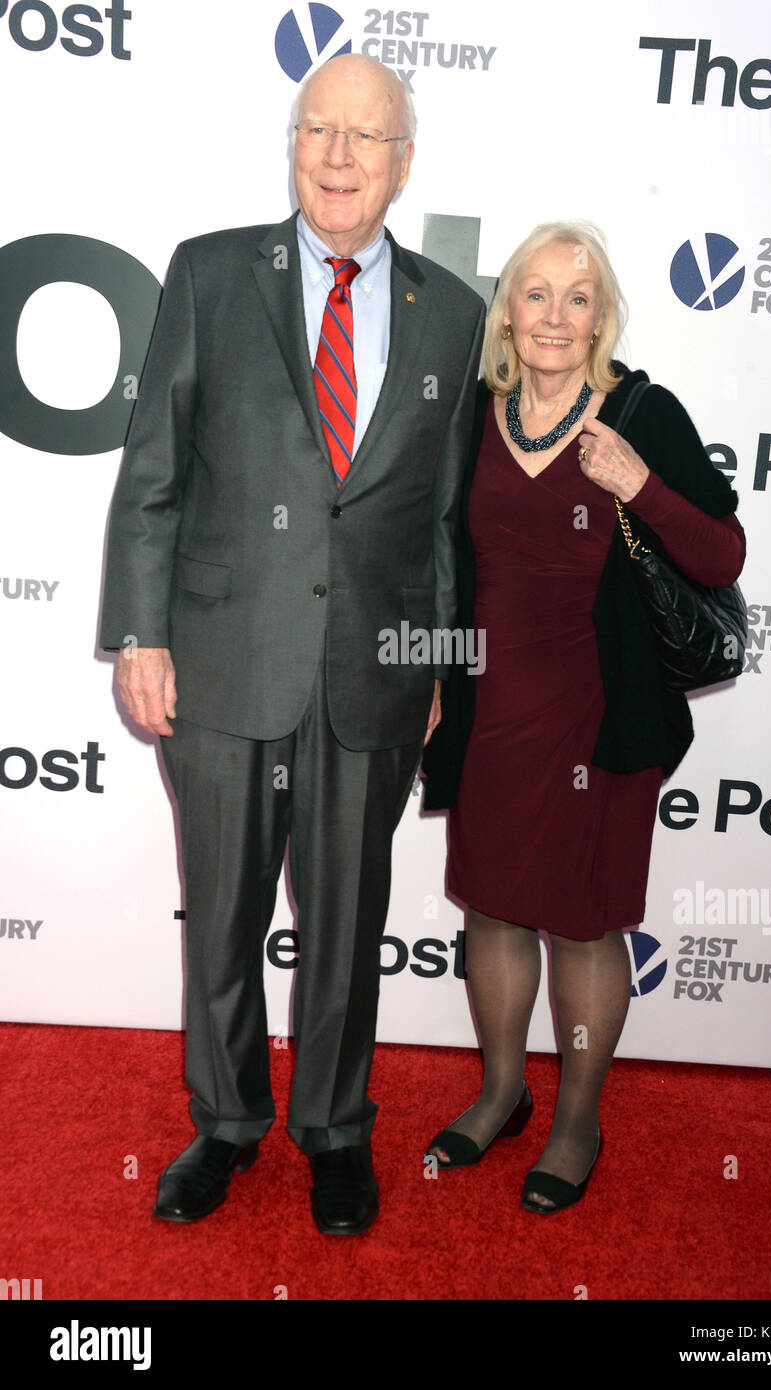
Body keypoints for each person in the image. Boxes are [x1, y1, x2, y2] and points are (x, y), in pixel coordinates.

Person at [98, 53, 485, 1234]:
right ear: (293, 146)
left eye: (366, 138)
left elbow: (440, 518)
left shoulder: (453, 313)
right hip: (219, 664)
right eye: (320, 131)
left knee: (345, 923)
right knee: (218, 916)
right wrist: (138, 633)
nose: (338, 157)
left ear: (403, 163)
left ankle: (332, 1127)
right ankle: (223, 1122)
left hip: (371, 676)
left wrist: (431, 663)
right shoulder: (213, 273)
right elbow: (153, 471)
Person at [421, 220, 746, 1213]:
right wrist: (436, 676)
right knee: (494, 909)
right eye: (536, 293)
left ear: (602, 314)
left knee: (587, 926)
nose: (556, 315)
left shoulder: (643, 413)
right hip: (491, 712)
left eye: (578, 295)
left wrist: (637, 484)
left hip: (604, 719)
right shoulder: (473, 417)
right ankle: (503, 1091)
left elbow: (723, 556)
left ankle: (577, 1117)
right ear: (507, 312)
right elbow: (435, 560)